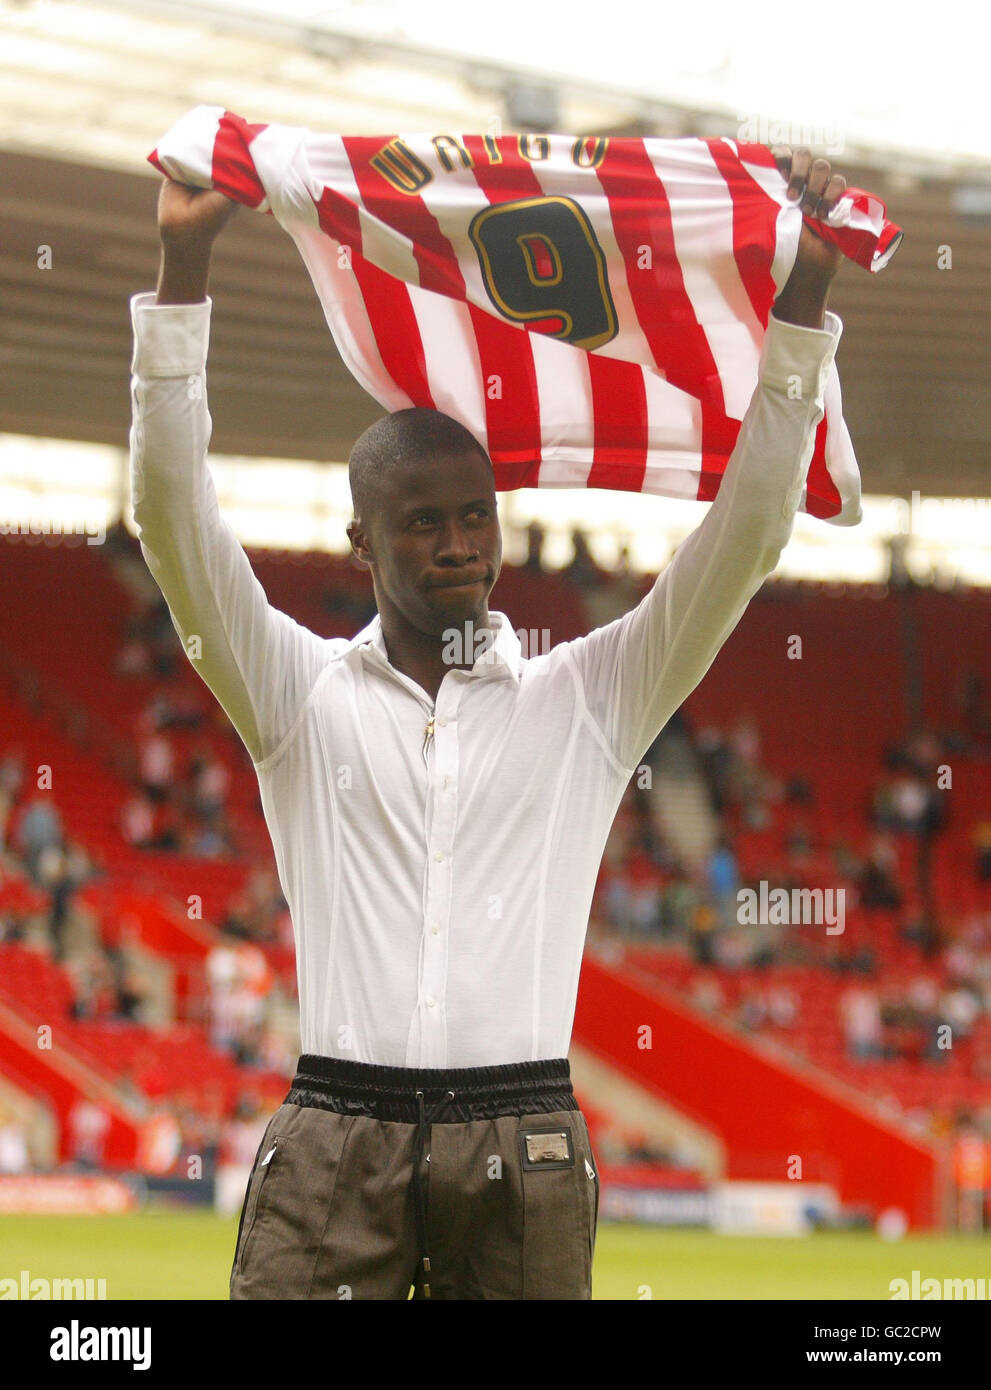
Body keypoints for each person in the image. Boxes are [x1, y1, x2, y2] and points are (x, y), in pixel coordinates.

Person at [129, 145, 851, 1300]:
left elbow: (749, 532)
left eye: (475, 516)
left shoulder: (590, 699)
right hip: (335, 1132)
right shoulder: (293, 695)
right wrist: (184, 267)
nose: (458, 542)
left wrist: (803, 300)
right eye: (421, 523)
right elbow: (171, 519)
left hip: (526, 1142)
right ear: (362, 543)